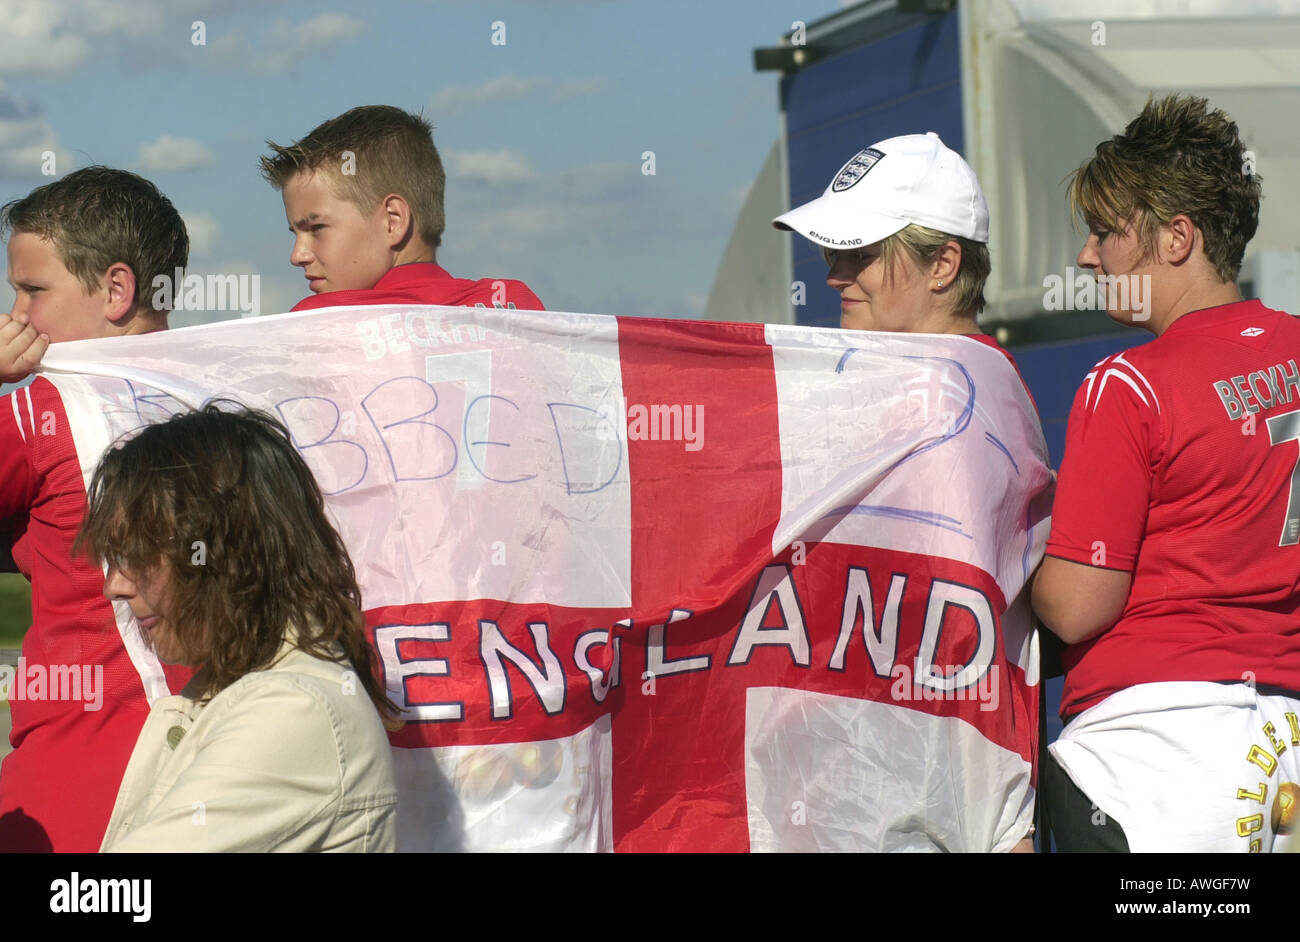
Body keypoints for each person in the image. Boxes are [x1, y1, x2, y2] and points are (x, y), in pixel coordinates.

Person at [1032, 95, 1300, 852]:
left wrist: (1018, 573)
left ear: (1176, 238)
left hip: (1156, 760)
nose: (1088, 257)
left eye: (1106, 232)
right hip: (1282, 757)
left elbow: (1079, 607)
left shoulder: (1128, 383)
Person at [771, 132, 1045, 852]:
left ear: (944, 263)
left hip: (931, 816)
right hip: (846, 803)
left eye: (859, 252)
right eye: (833, 252)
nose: (833, 274)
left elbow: (978, 635)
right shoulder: (914, 385)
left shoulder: (960, 401)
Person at [82, 404, 399, 852]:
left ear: (224, 550)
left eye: (135, 554)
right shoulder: (257, 688)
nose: (114, 585)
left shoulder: (294, 710)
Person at [0, 167, 190, 852]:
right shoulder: (232, 398)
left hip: (80, 771)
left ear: (116, 289)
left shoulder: (38, 411)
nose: (16, 315)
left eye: (32, 291)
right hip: (230, 758)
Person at [259, 104, 544, 312]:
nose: (297, 255)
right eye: (296, 233)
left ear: (392, 221)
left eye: (316, 228)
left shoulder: (319, 323)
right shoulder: (515, 306)